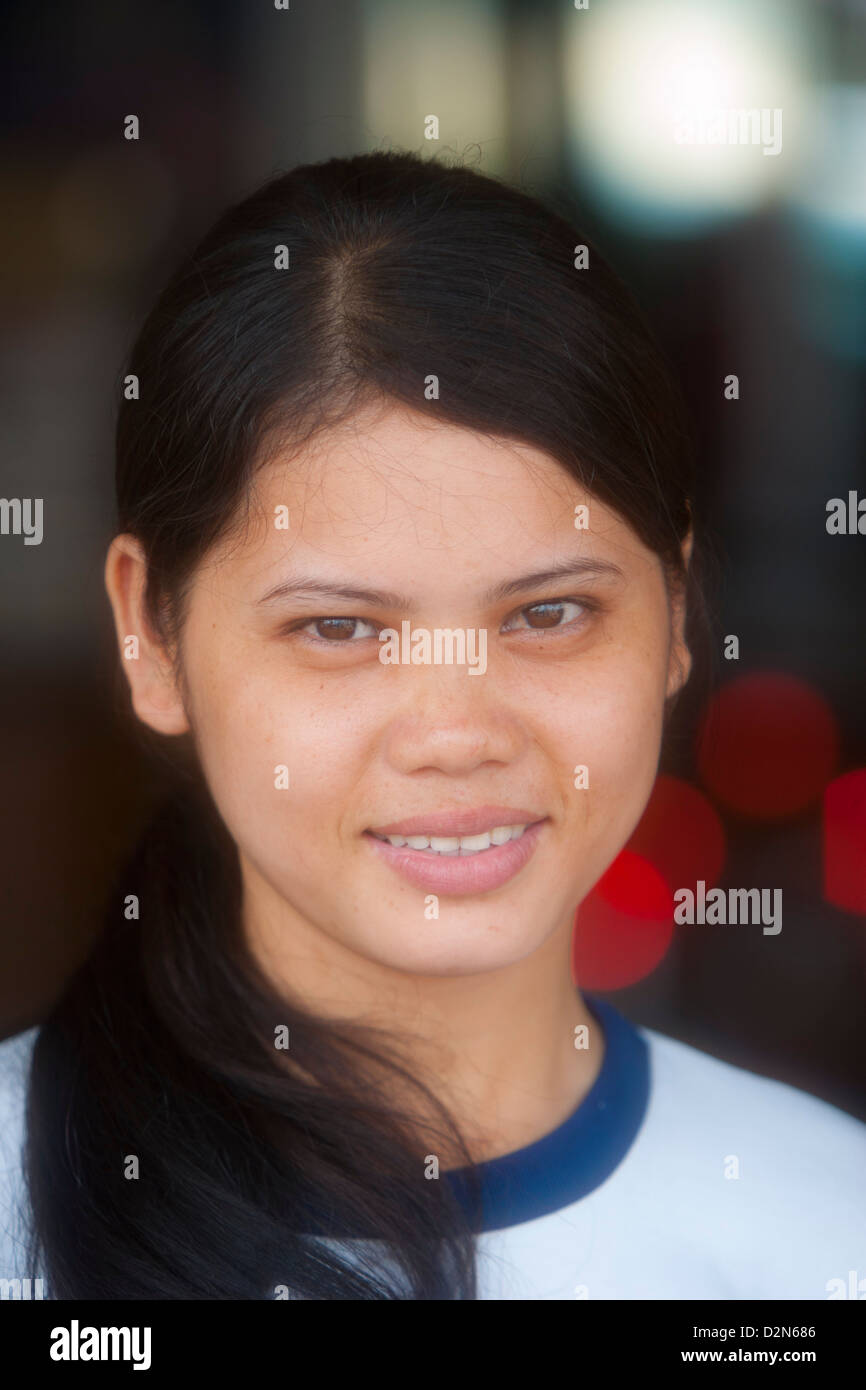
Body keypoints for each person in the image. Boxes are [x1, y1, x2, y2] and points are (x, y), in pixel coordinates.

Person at [1, 150, 863, 1300]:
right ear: (149, 638)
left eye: (550, 612)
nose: (455, 731)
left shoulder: (823, 1225)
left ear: (675, 616)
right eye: (338, 629)